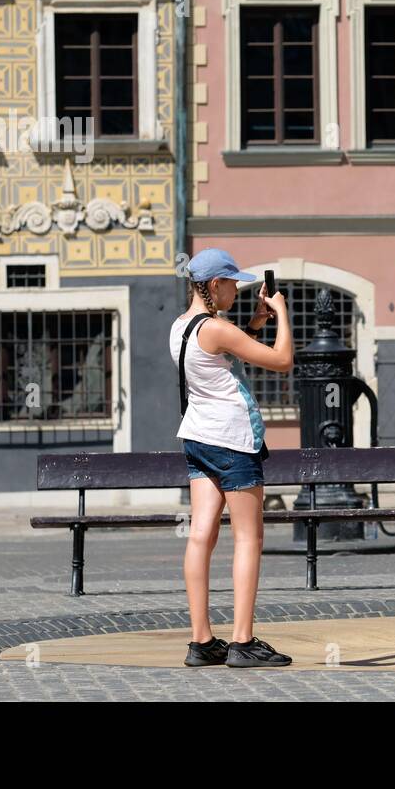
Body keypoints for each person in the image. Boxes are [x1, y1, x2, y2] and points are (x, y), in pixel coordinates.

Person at [171, 248, 293, 668]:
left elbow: (222, 361)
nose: (236, 291)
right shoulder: (217, 327)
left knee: (201, 535)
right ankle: (243, 641)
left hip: (198, 438)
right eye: (232, 285)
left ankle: (201, 641)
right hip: (233, 442)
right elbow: (282, 361)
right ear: (214, 285)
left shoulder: (181, 326)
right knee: (248, 539)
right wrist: (280, 314)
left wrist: (255, 325)